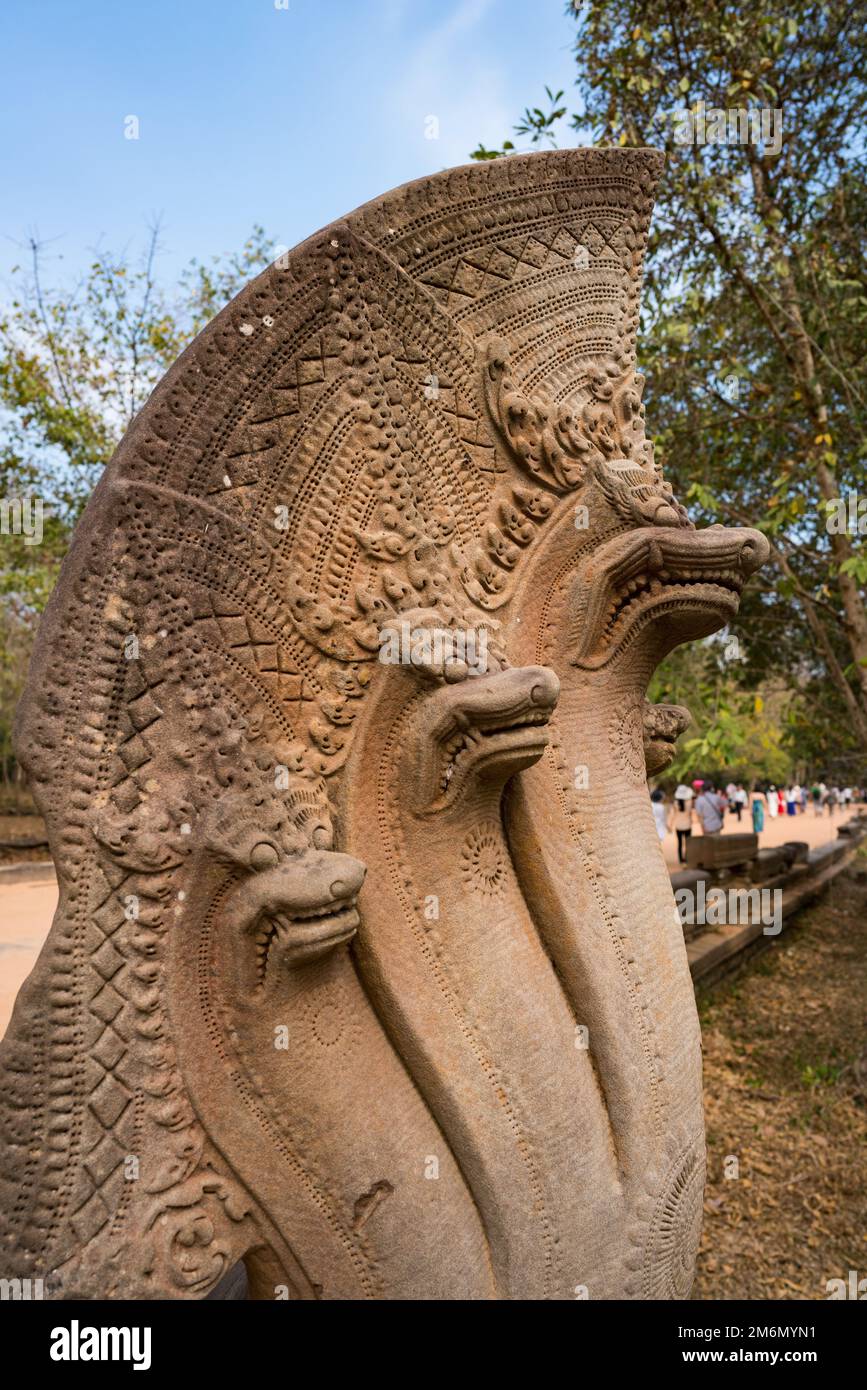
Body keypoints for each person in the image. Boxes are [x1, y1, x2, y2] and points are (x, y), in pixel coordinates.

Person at [672, 784, 697, 864]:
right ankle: (687, 858)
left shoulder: (675, 803)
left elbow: (673, 814)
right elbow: (693, 795)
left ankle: (681, 860)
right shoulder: (689, 803)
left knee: (679, 843)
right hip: (687, 825)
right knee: (688, 843)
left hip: (678, 826)